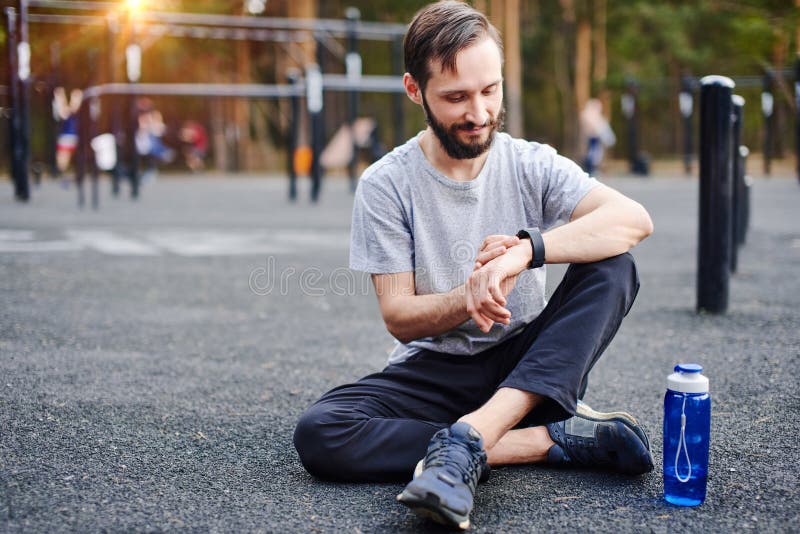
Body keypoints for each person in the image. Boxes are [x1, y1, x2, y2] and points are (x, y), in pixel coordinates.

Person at [293, 2, 654, 530]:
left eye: (490, 90)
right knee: (321, 432)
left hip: (525, 370)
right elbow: (399, 317)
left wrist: (525, 251)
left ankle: (471, 438)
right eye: (456, 97)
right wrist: (469, 296)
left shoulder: (530, 162)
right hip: (432, 372)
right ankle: (541, 441)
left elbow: (633, 219)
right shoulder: (385, 184)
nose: (480, 113)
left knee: (613, 266)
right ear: (415, 90)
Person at [53, 87, 83, 184]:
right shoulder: (67, 112)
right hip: (68, 137)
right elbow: (64, 111)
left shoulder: (71, 111)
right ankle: (66, 178)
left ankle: (68, 178)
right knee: (63, 162)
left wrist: (60, 97)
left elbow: (68, 110)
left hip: (68, 138)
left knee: (63, 161)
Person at [579, 97, 616, 175]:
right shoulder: (589, 115)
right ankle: (590, 168)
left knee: (595, 153)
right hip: (592, 137)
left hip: (594, 137)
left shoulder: (589, 115)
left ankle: (592, 168)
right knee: (593, 153)